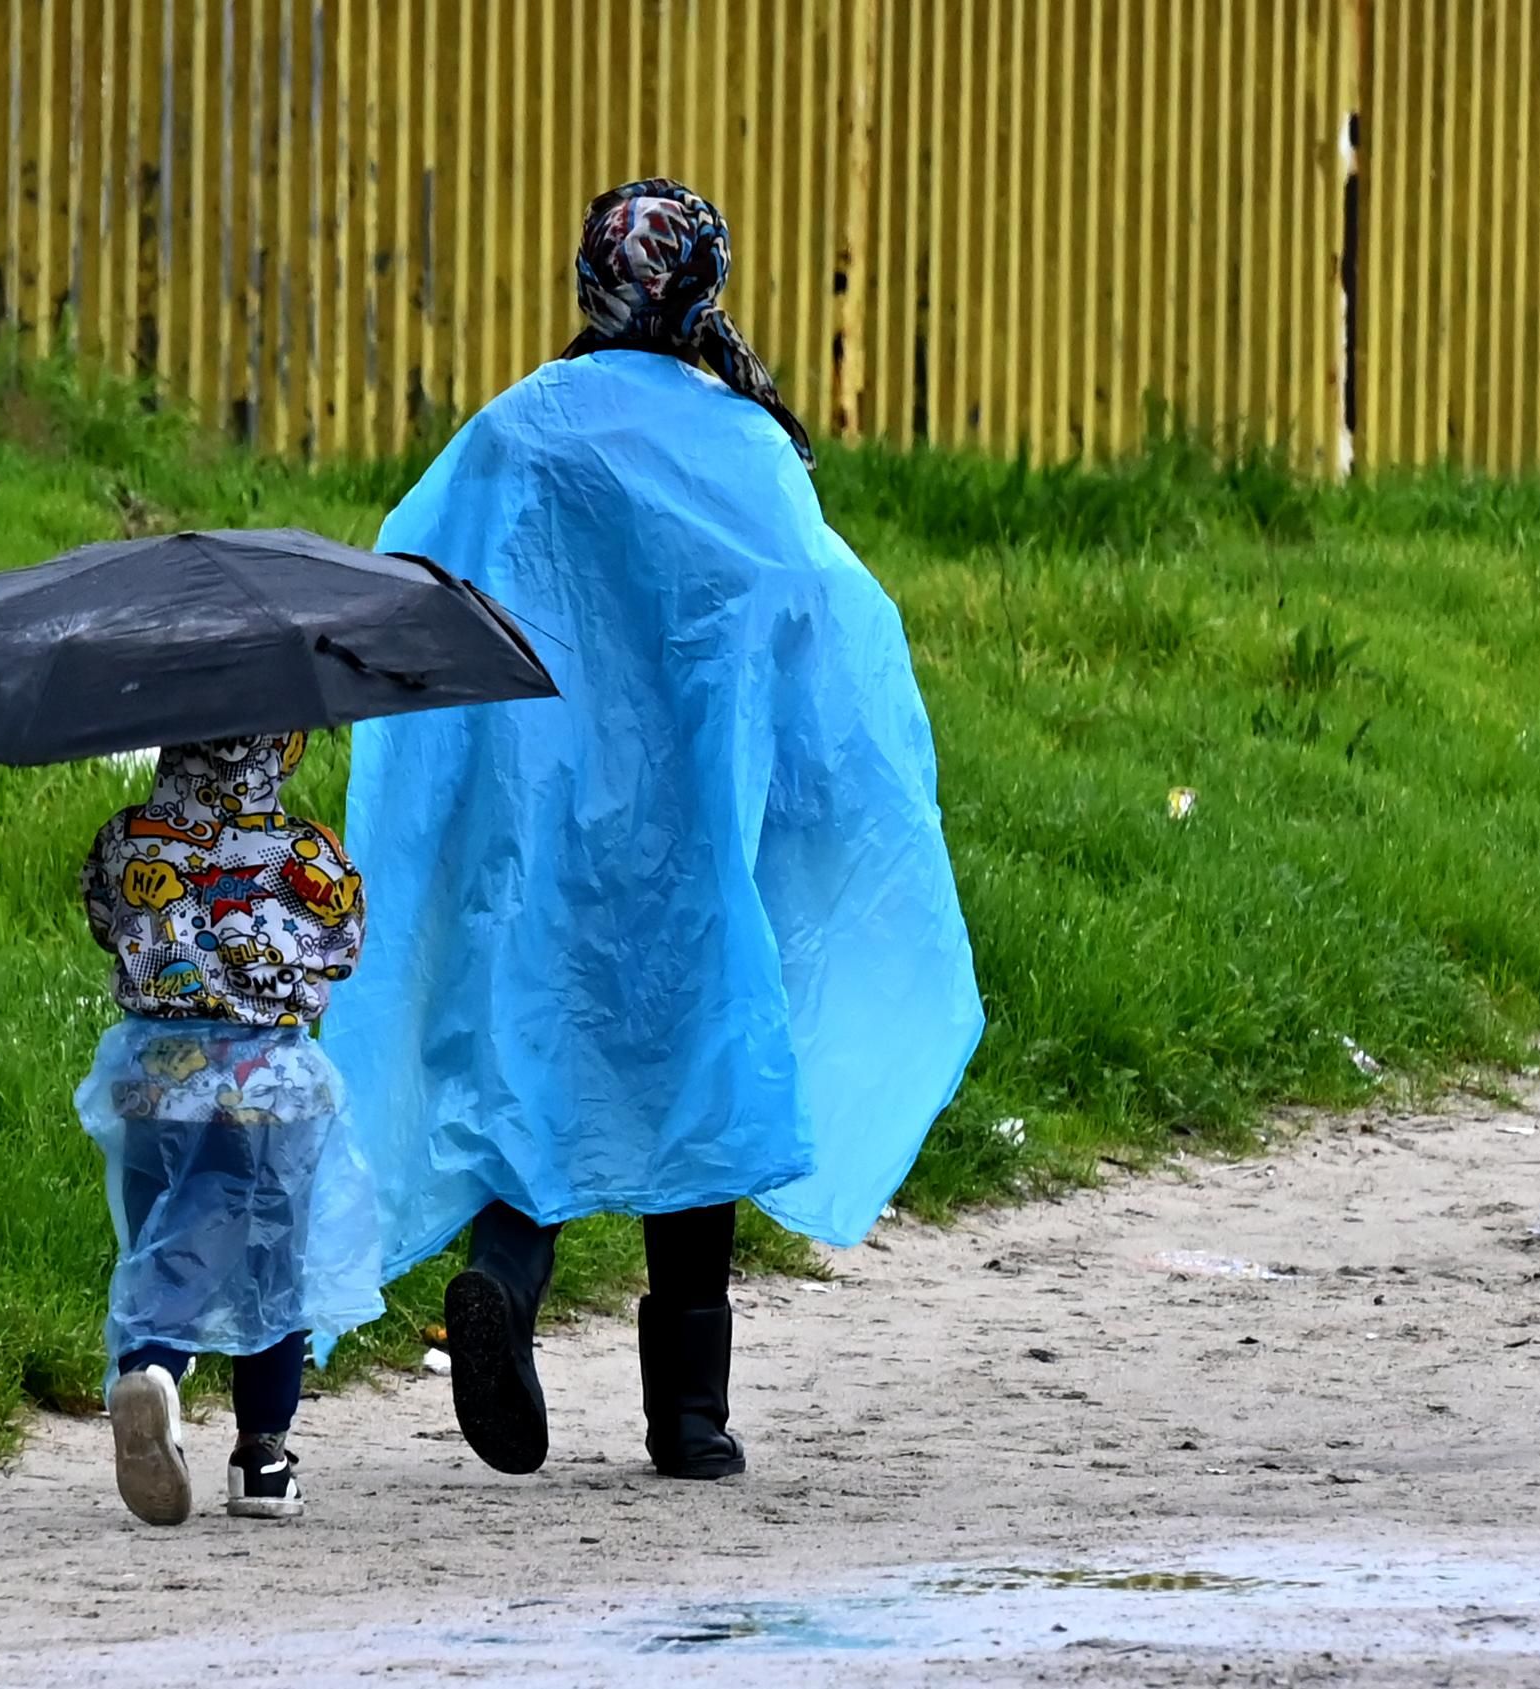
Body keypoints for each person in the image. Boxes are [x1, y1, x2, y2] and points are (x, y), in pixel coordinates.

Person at [325, 180, 982, 1481]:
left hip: (537, 831)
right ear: (700, 292)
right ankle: (688, 1417)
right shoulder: (738, 443)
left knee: (532, 1062)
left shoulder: (516, 432)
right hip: (690, 833)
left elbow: (422, 589)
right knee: (702, 1074)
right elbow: (815, 616)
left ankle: (505, 1274)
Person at [77, 733, 383, 1525]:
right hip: (266, 1087)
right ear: (281, 746)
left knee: (162, 1230)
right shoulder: (305, 852)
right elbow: (343, 948)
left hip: (151, 1076)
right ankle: (250, 1445)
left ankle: (156, 1371)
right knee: (270, 1258)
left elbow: (105, 918)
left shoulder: (126, 837)